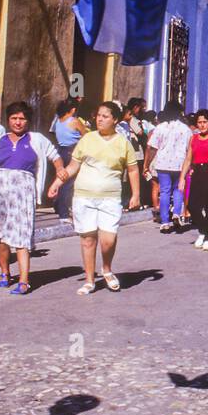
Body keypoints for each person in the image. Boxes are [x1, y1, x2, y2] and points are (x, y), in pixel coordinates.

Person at [0, 101, 65, 295]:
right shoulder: (0, 140)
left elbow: (55, 156)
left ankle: (24, 281)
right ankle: (5, 273)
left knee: (22, 236)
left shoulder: (36, 139)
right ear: (8, 120)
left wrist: (60, 173)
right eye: (14, 118)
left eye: (22, 118)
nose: (18, 122)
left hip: (23, 193)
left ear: (28, 121)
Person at [49, 101, 140, 295]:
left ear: (115, 120)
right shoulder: (87, 139)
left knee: (108, 239)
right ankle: (90, 280)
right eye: (98, 115)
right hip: (84, 197)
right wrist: (57, 183)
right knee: (87, 240)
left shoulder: (123, 142)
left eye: (105, 116)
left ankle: (106, 269)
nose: (100, 119)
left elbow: (132, 169)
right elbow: (73, 166)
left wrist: (136, 194)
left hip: (111, 198)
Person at [178, 108, 208, 251]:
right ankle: (203, 230)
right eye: (199, 122)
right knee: (192, 205)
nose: (202, 125)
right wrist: (182, 177)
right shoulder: (193, 138)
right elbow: (188, 159)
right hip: (198, 173)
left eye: (205, 122)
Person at [145, 100, 190, 233]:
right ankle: (176, 212)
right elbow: (190, 149)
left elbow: (152, 148)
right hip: (180, 164)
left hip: (163, 163)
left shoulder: (160, 128)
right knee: (178, 190)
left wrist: (146, 165)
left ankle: (165, 222)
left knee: (164, 191)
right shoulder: (185, 129)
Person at [50, 100, 87, 224]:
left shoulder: (58, 121)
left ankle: (59, 207)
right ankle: (64, 213)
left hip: (60, 150)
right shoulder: (74, 121)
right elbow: (86, 135)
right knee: (68, 183)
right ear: (72, 110)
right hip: (72, 151)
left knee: (60, 180)